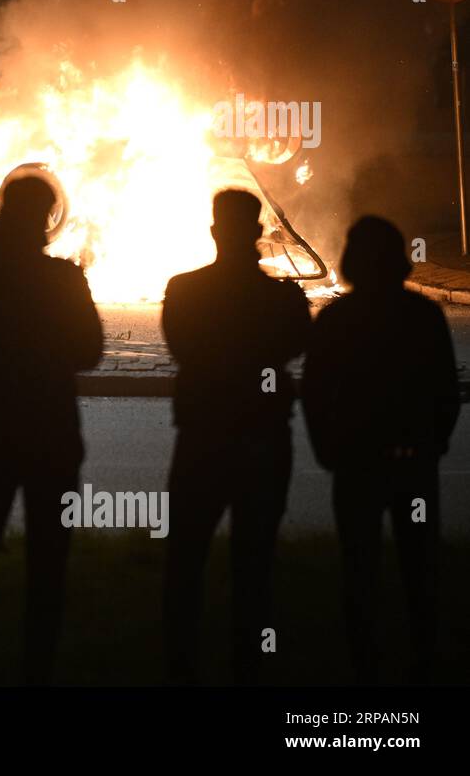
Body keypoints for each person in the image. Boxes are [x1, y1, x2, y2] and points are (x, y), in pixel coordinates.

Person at [0, 176, 103, 685]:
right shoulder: (63, 278)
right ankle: (38, 667)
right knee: (48, 559)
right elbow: (90, 353)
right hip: (53, 433)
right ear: (47, 218)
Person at [160, 188, 311, 684]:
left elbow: (182, 349)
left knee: (186, 557)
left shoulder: (183, 289)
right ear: (258, 232)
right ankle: (249, 666)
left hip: (202, 437)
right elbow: (295, 346)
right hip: (263, 440)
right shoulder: (284, 297)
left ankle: (180, 665)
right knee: (255, 563)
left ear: (213, 232)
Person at [303, 216, 460, 683]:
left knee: (359, 564)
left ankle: (363, 664)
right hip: (413, 465)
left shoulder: (335, 318)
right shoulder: (424, 315)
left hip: (356, 467)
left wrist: (327, 450)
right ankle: (423, 659)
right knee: (419, 566)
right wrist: (433, 445)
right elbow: (446, 390)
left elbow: (315, 392)